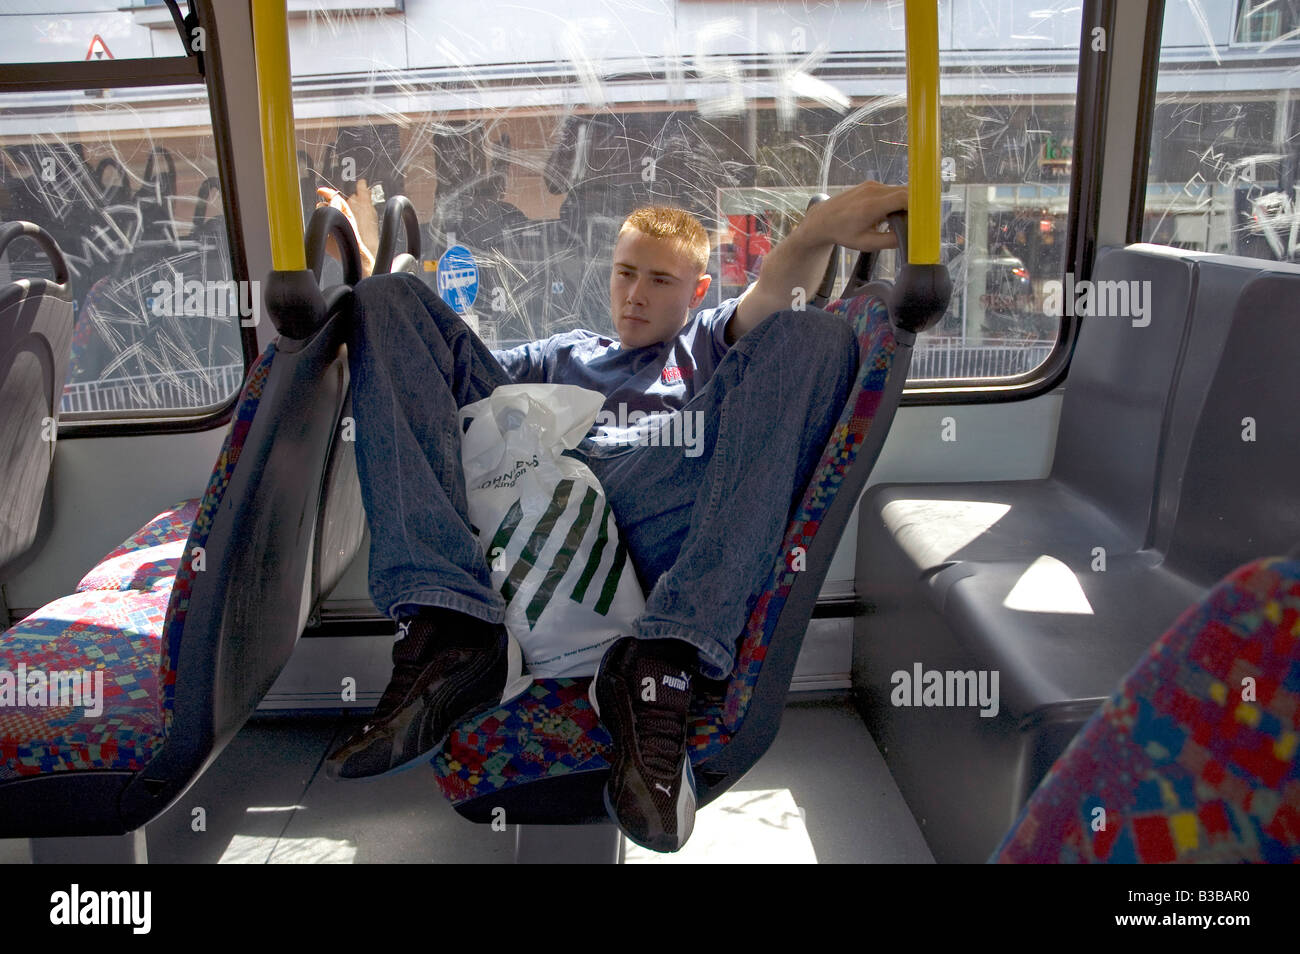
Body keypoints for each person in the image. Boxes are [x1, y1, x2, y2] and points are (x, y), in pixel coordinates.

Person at [319, 181, 907, 852]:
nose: (637, 293)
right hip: (545, 496)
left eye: (661, 280)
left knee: (816, 335)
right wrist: (372, 271)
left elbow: (776, 299)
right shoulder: (561, 353)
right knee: (388, 302)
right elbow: (437, 373)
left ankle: (661, 658)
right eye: (627, 273)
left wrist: (814, 233)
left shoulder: (706, 346)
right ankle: (452, 624)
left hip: (652, 496)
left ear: (697, 290)